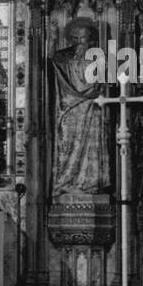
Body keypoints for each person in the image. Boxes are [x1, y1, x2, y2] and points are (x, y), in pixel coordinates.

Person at [50, 18, 110, 195]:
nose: (78, 42)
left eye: (82, 38)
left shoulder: (100, 58)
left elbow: (103, 85)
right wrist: (52, 38)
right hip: (70, 108)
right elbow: (50, 59)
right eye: (75, 38)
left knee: (92, 146)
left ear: (91, 39)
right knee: (67, 144)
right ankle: (67, 182)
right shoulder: (65, 57)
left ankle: (91, 185)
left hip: (93, 109)